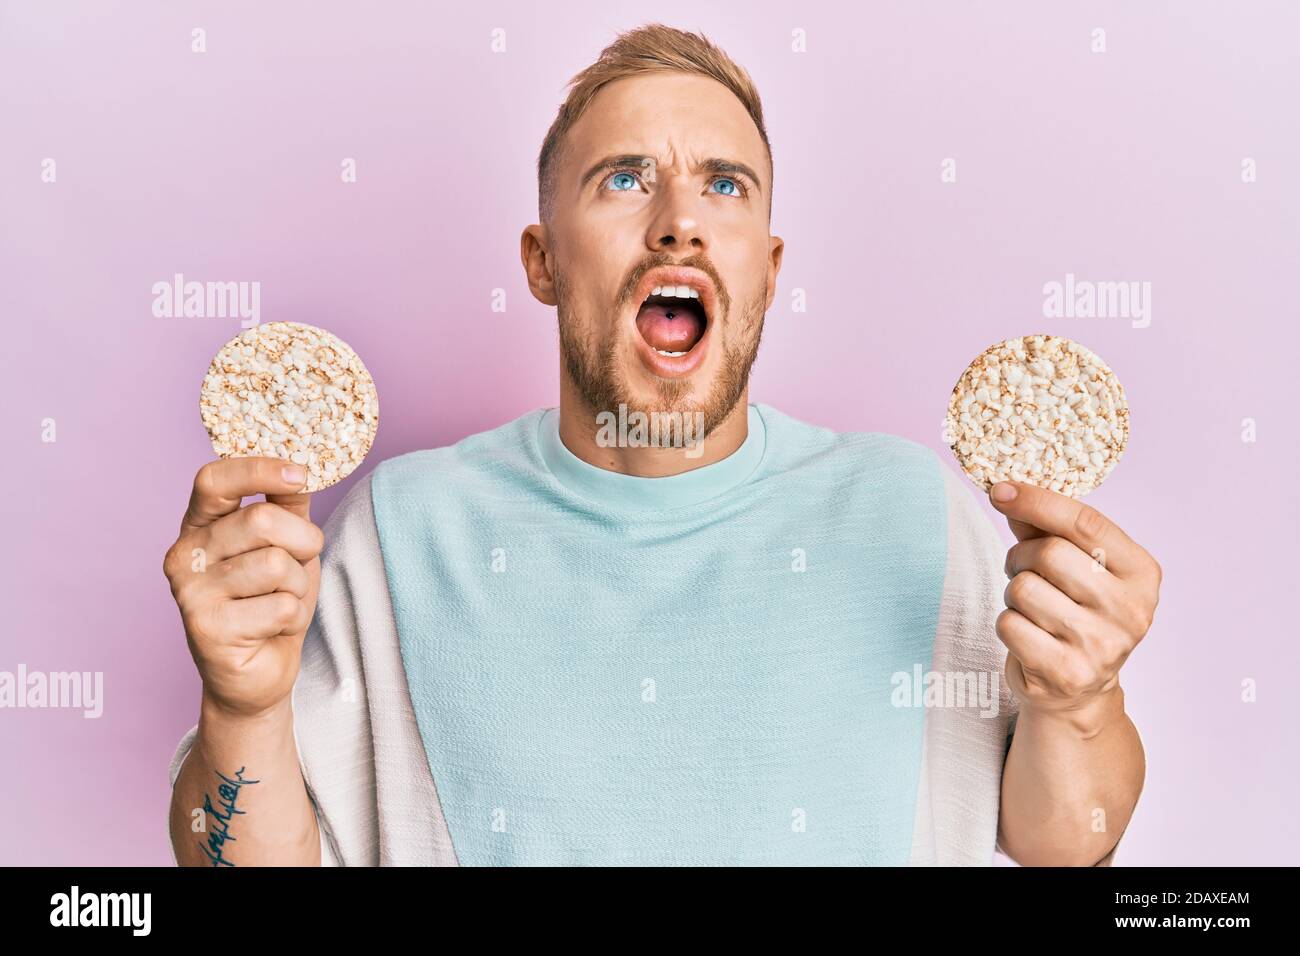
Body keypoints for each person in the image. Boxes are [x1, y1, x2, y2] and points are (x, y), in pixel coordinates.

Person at [163, 24, 1158, 866]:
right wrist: (240, 707)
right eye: (626, 177)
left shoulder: (908, 508)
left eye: (724, 184)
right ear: (543, 260)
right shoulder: (403, 528)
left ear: (766, 270)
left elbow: (1063, 842)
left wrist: (1081, 701)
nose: (679, 220)